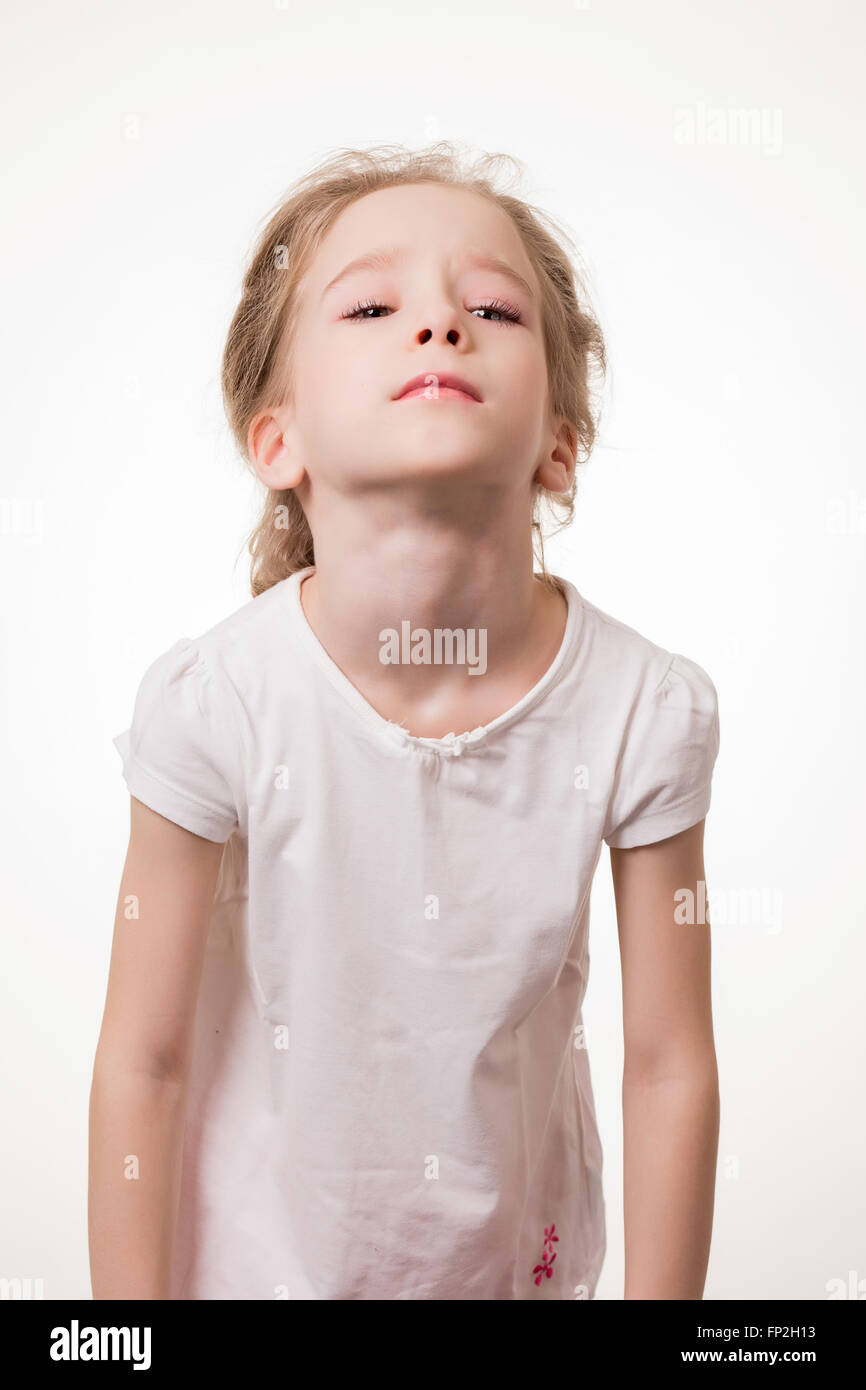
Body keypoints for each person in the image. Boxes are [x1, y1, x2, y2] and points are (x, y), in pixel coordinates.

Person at [89, 142, 721, 1300]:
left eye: (490, 306)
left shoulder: (641, 708)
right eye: (372, 305)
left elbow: (669, 1064)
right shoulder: (214, 706)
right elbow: (143, 1059)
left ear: (557, 446)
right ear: (276, 438)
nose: (438, 325)